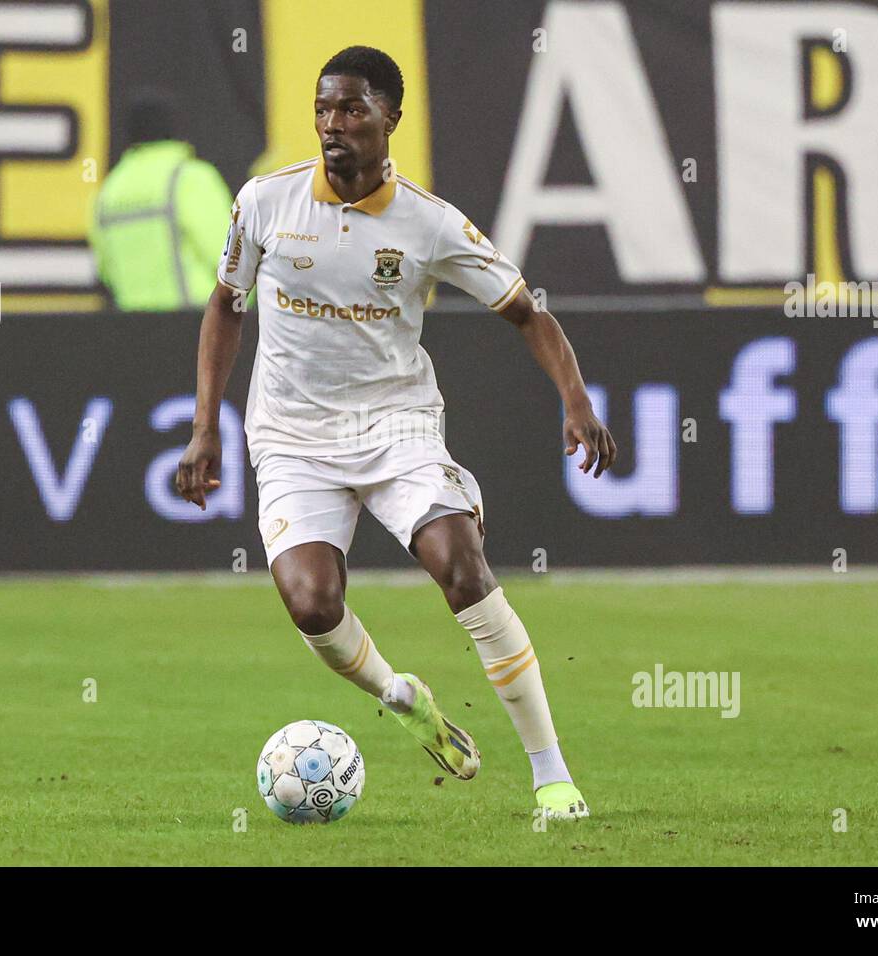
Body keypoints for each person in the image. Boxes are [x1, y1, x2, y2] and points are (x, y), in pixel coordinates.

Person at [176, 47, 616, 820]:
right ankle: (400, 695)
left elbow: (526, 310)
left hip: (396, 426)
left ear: (391, 118)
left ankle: (552, 776)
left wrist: (575, 399)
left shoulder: (429, 222)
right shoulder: (265, 202)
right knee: (312, 603)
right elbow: (225, 305)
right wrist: (205, 424)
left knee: (462, 566)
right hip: (291, 433)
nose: (332, 126)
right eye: (322, 109)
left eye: (351, 109)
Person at [88, 92, 233, 311]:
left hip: (136, 333)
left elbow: (106, 271)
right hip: (199, 328)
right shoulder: (189, 178)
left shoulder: (108, 192)